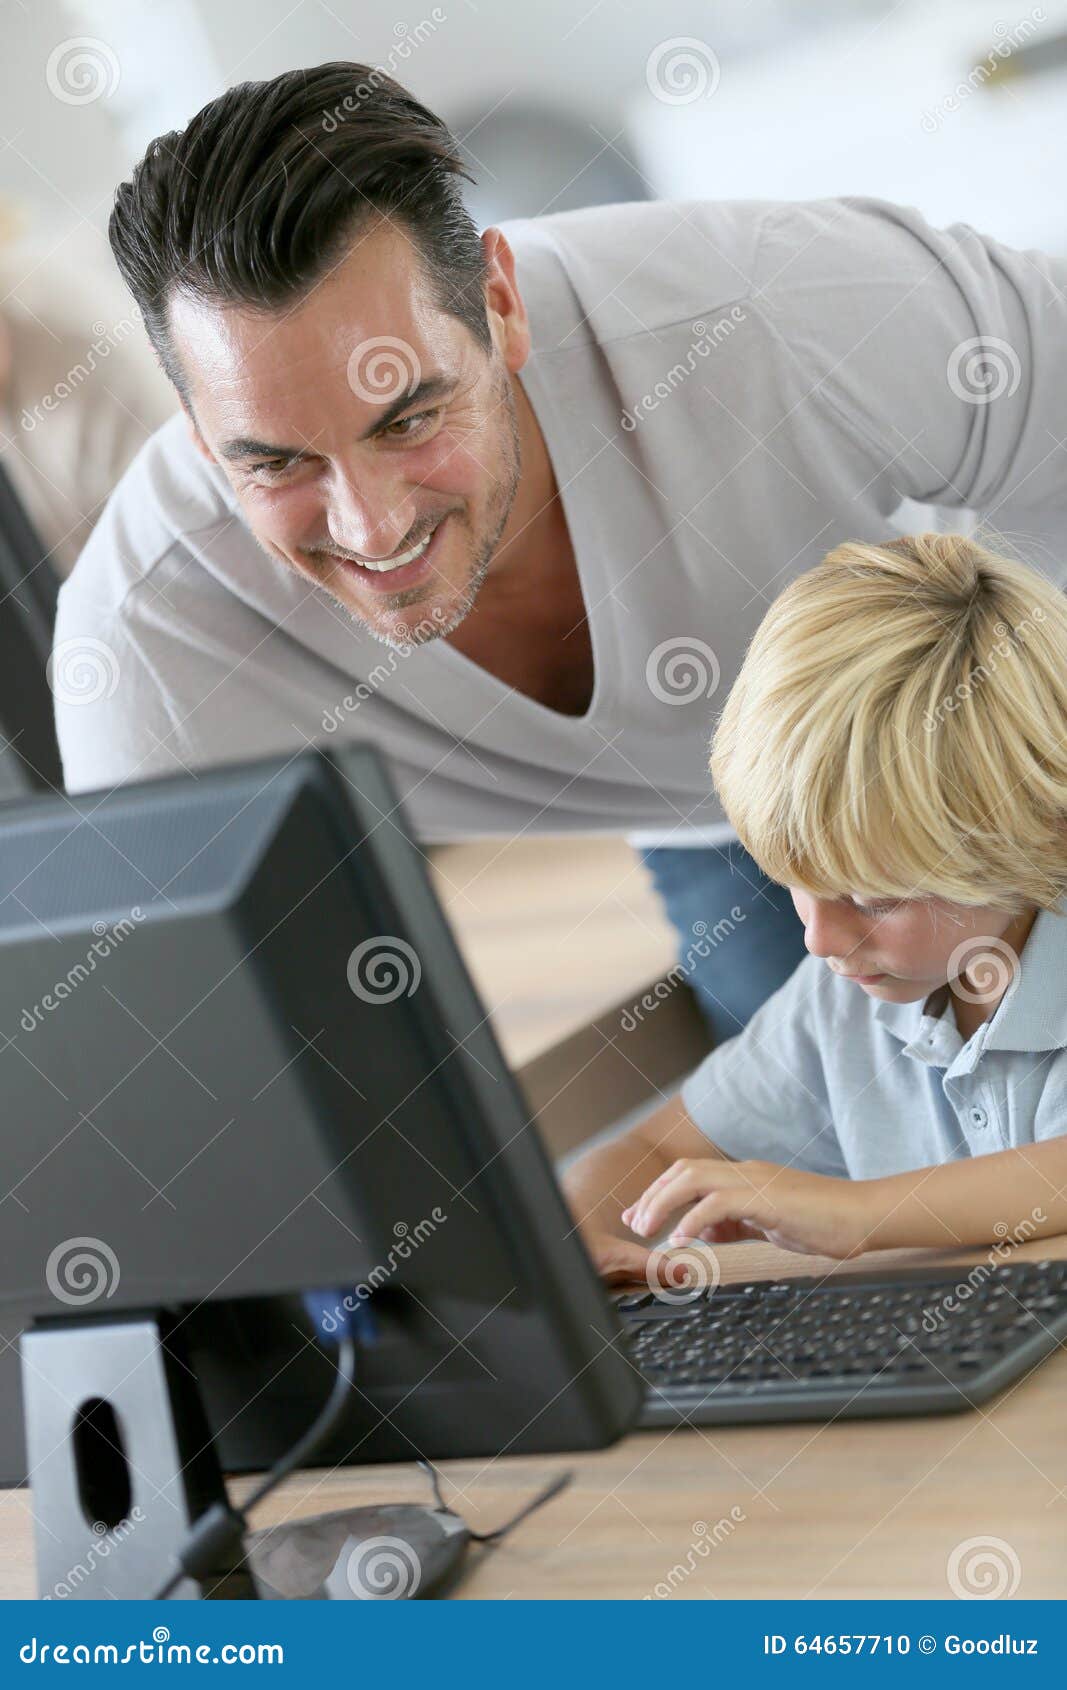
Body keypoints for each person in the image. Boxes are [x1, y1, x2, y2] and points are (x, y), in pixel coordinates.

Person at [52, 63, 1067, 1043]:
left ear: (501, 305)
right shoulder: (149, 646)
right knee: (835, 1146)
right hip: (701, 820)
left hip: (967, 728)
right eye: (276, 463)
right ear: (195, 433)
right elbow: (189, 1045)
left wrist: (1010, 736)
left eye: (407, 420)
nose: (369, 528)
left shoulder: (765, 309)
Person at [563, 533, 1067, 1282]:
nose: (820, 941)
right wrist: (586, 1239)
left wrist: (855, 1213)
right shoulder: (837, 1008)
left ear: (1031, 835)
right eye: (794, 882)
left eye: (872, 897)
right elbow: (656, 1150)